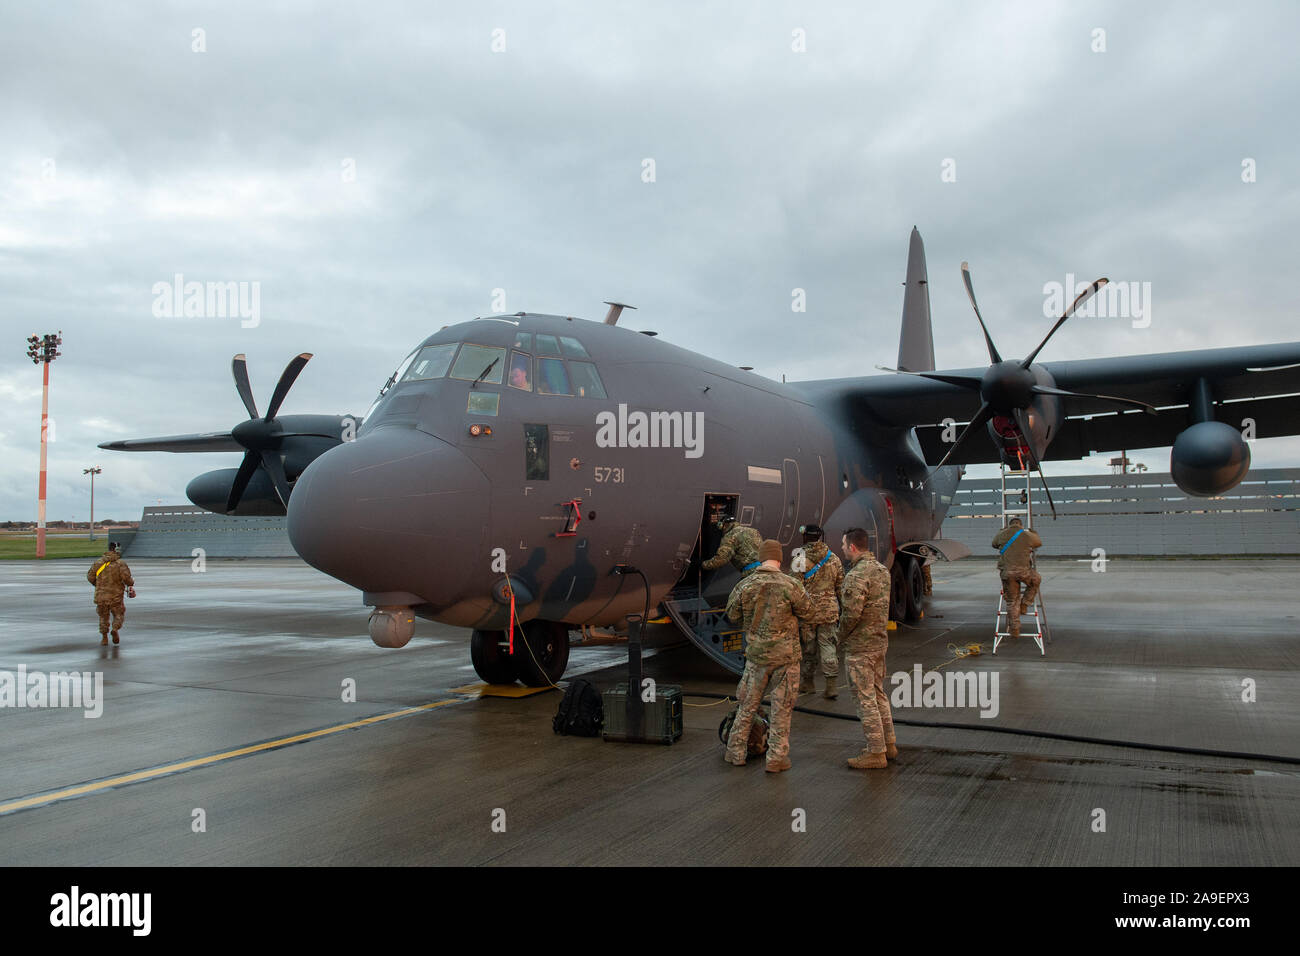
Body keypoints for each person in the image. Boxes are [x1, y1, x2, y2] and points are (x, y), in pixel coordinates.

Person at [723, 538, 812, 773]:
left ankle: (735, 752)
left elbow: (731, 615)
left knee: (747, 706)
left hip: (756, 657)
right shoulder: (791, 585)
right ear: (780, 558)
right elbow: (808, 612)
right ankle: (776, 759)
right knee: (781, 709)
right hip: (786, 657)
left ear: (760, 557)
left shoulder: (745, 585)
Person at [838, 528, 896, 770]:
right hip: (878, 642)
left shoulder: (856, 576)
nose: (841, 548)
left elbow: (851, 615)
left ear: (852, 547)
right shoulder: (882, 570)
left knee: (865, 698)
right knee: (878, 693)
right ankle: (889, 744)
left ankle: (875, 752)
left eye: (843, 544)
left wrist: (838, 637)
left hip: (860, 647)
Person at [788, 524, 844, 698]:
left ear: (805, 537)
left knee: (808, 650)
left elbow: (793, 588)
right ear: (820, 537)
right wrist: (843, 608)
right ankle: (831, 686)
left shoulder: (799, 558)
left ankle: (808, 683)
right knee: (828, 647)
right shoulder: (833, 558)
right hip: (829, 612)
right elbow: (841, 587)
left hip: (808, 613)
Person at [991, 517, 1042, 638]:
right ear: (1020, 525)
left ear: (1010, 525)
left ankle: (1014, 629)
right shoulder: (1026, 534)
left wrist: (1001, 531)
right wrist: (1033, 532)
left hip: (1007, 573)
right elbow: (1038, 542)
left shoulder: (1002, 534)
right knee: (1036, 579)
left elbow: (994, 544)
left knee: (1012, 601)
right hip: (1023, 571)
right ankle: (1025, 603)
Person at [87, 541, 135, 645]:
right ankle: (115, 629)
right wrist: (131, 583)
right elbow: (127, 579)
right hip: (116, 596)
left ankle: (104, 638)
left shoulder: (98, 562)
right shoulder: (120, 564)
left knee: (103, 617)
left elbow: (90, 577)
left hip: (100, 596)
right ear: (117, 550)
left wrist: (99, 585)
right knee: (119, 614)